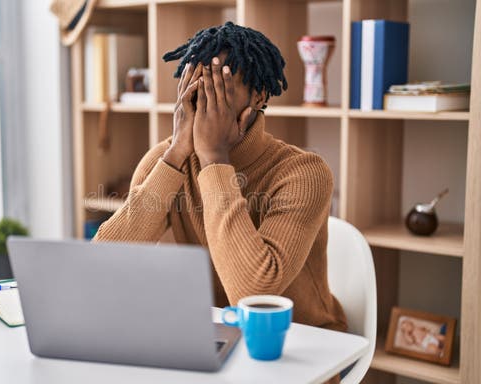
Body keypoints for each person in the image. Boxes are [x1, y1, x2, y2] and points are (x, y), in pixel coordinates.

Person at [94, 22, 346, 334]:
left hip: (302, 342)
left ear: (259, 95)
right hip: (216, 334)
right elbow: (103, 264)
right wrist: (174, 157)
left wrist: (214, 158)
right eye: (195, 86)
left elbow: (253, 296)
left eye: (219, 88)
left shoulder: (304, 173)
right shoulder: (168, 160)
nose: (203, 100)